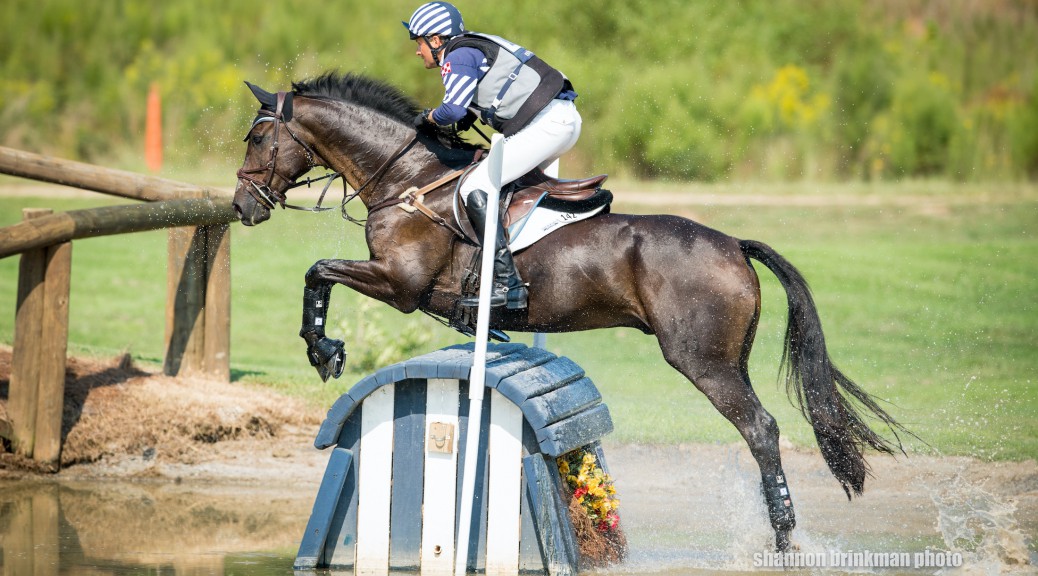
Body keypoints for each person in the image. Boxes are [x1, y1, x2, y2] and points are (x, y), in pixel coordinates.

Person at [404, 1, 582, 310]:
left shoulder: (457, 55)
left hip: (549, 125)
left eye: (418, 42)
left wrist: (428, 117)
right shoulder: (470, 47)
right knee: (506, 187)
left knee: (475, 186)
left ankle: (507, 284)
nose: (418, 52)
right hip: (558, 120)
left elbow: (452, 110)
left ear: (435, 39)